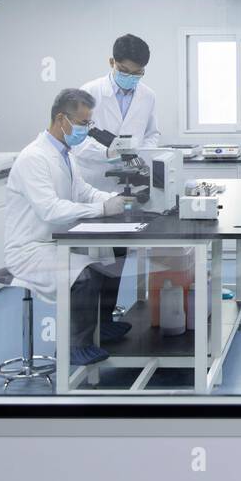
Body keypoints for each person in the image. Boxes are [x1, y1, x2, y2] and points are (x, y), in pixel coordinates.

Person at [3, 88, 133, 367]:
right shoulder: (33, 158)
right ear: (62, 119)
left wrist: (115, 200)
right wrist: (102, 209)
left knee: (115, 251)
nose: (87, 130)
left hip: (57, 241)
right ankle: (75, 346)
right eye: (83, 123)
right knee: (85, 273)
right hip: (31, 249)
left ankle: (103, 322)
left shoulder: (65, 154)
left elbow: (83, 190)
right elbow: (50, 208)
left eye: (89, 123)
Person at [72, 34, 161, 321]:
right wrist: (110, 153)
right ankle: (85, 331)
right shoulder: (89, 93)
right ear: (111, 62)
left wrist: (140, 153)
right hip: (93, 184)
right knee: (90, 262)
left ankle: (107, 320)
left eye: (138, 73)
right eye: (125, 71)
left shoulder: (147, 95)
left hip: (127, 187)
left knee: (118, 257)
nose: (131, 78)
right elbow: (76, 141)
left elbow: (152, 134)